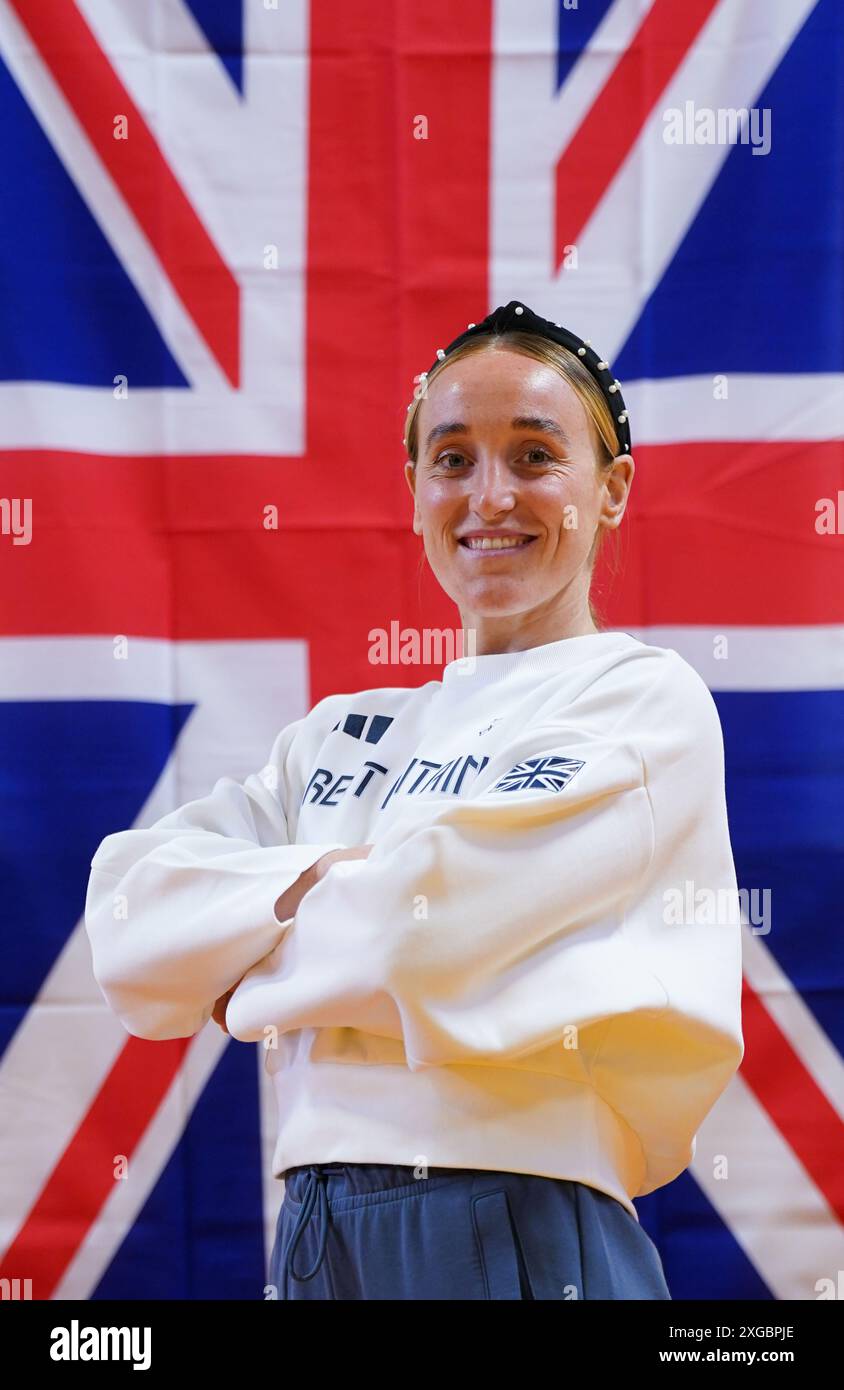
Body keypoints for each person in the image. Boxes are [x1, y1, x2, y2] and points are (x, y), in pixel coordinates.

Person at [84, 300, 745, 1300]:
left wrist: (240, 975)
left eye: (533, 456)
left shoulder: (639, 697)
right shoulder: (342, 732)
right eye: (451, 459)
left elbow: (419, 933)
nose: (489, 496)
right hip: (310, 1226)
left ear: (610, 490)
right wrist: (326, 881)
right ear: (412, 490)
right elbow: (127, 922)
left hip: (519, 1207)